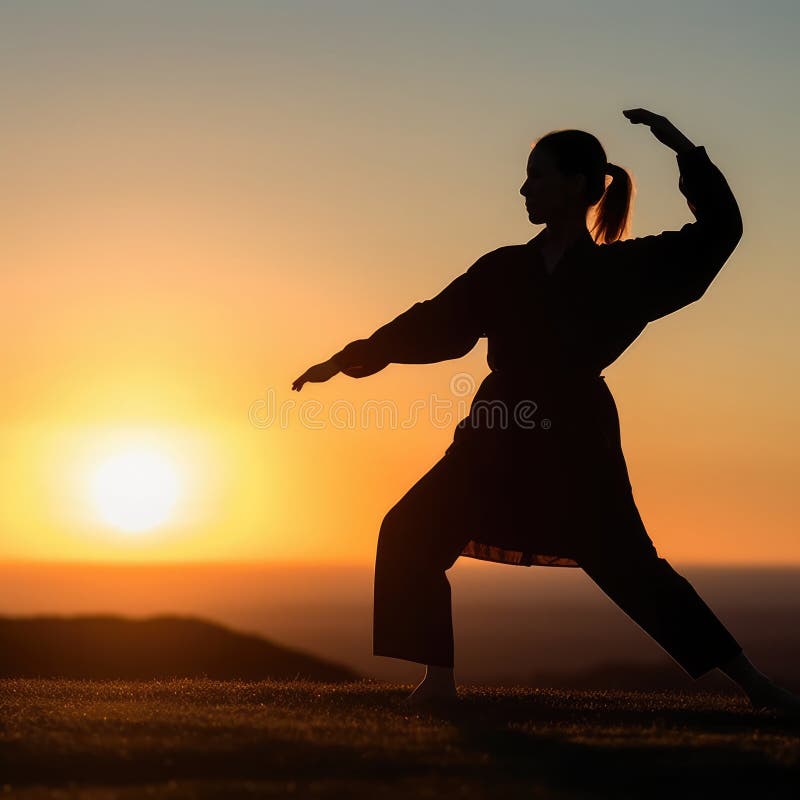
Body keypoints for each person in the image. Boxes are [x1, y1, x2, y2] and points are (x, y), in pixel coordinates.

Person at [292, 108, 800, 715]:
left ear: (578, 186)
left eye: (536, 176)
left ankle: (754, 684)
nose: (524, 188)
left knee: (630, 566)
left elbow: (720, 230)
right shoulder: (506, 267)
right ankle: (439, 683)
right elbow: (438, 320)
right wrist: (356, 356)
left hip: (576, 435)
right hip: (497, 428)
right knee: (410, 532)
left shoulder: (626, 270)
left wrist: (685, 151)